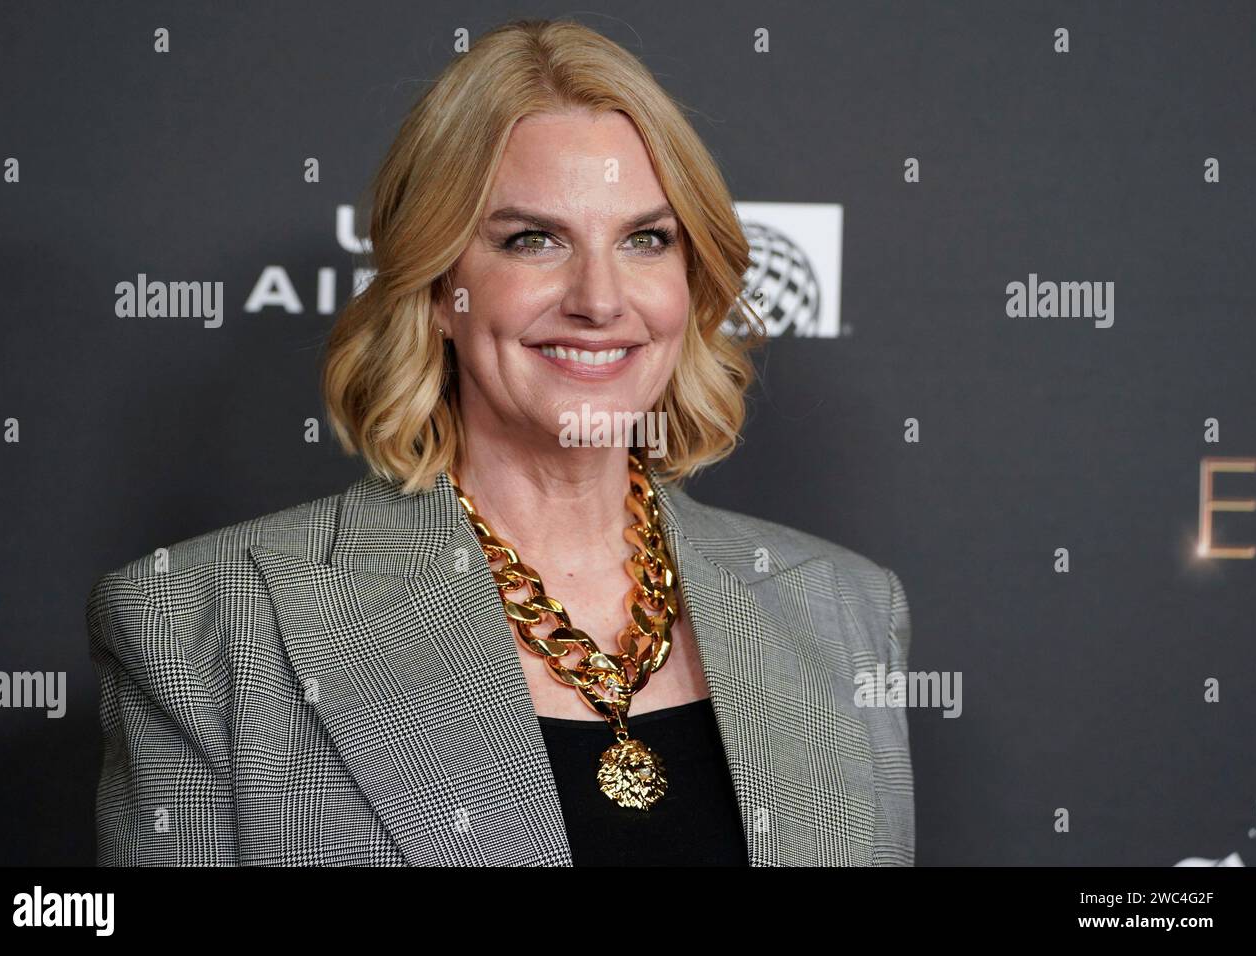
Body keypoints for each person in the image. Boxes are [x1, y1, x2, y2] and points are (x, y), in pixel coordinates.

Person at [86, 17, 914, 866]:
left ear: (689, 280)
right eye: (533, 239)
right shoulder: (203, 627)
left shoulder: (844, 613)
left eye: (645, 239)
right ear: (441, 286)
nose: (599, 299)